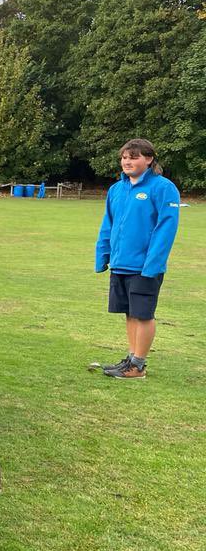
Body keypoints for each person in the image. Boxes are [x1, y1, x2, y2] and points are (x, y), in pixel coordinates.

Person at [94, 138, 180, 379]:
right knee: (129, 312)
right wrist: (103, 254)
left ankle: (138, 366)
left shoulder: (163, 188)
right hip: (120, 263)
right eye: (124, 157)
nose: (127, 162)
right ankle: (131, 359)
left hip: (144, 266)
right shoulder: (116, 189)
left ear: (149, 159)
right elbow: (108, 224)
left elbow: (166, 229)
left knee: (143, 314)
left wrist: (152, 264)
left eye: (133, 157)